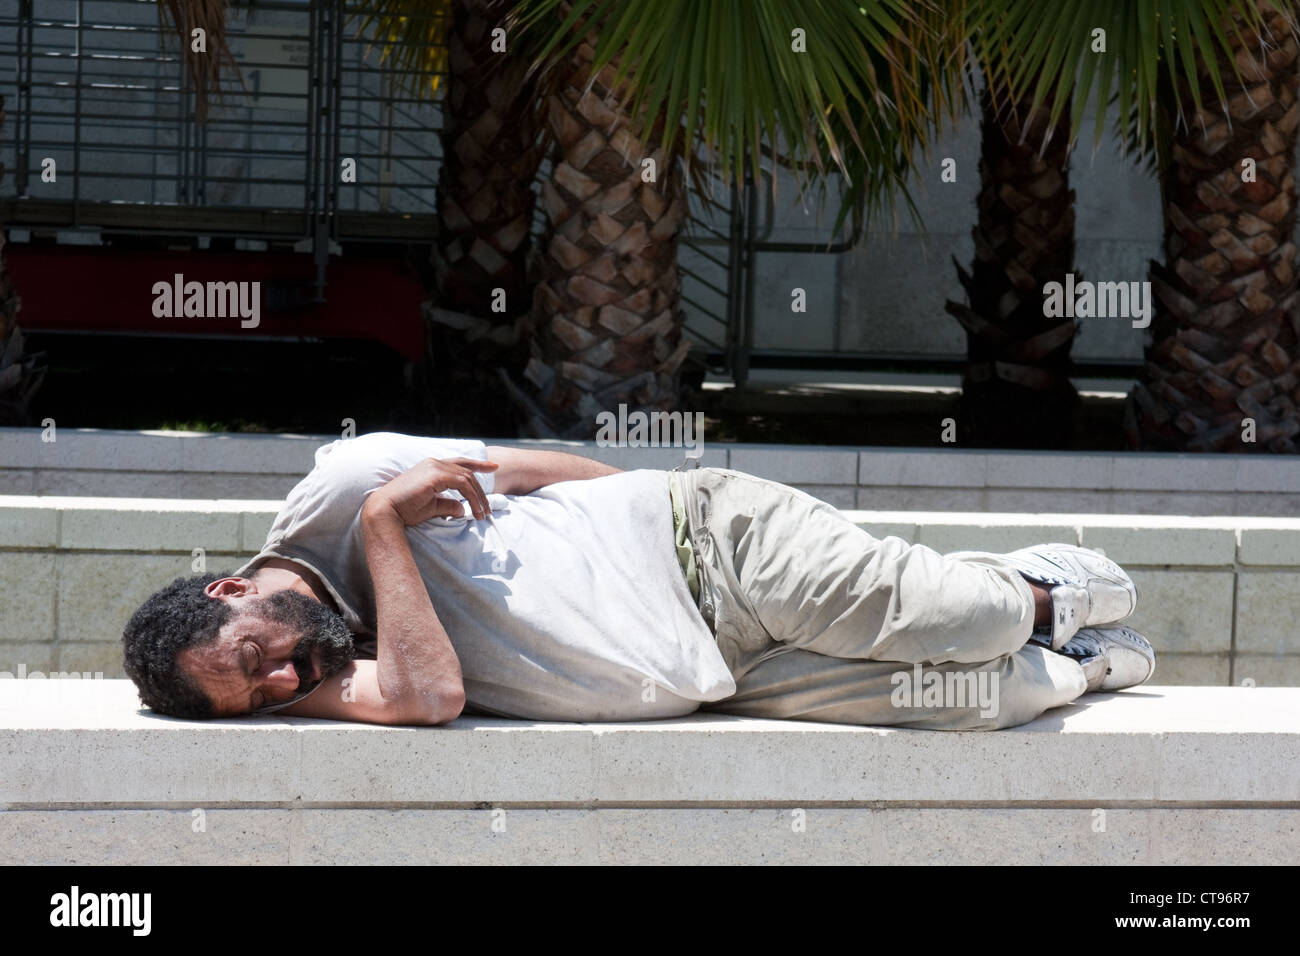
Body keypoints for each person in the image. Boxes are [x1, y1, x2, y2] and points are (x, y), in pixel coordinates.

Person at [122, 432, 1155, 730]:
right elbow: (429, 694)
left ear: (227, 588)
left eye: (256, 657)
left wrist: (656, 503)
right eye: (256, 696)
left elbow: (522, 466)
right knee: (979, 696)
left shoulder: (347, 481)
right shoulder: (327, 675)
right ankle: (1082, 664)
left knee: (962, 616)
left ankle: (1041, 585)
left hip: (707, 549)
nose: (281, 679)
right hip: (715, 675)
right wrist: (392, 536)